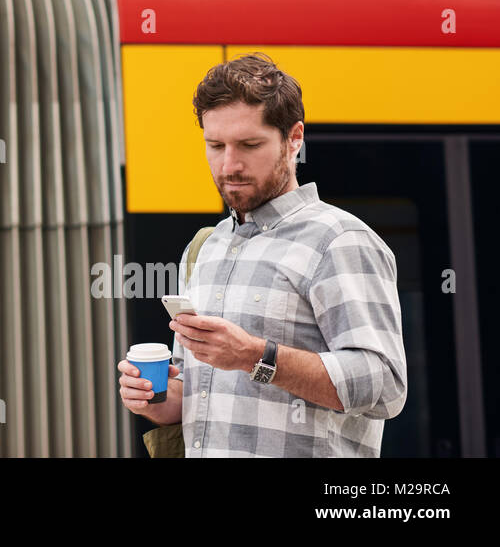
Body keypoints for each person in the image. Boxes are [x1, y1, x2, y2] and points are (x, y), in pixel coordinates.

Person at [117, 53, 406, 456]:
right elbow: (204, 398)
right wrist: (157, 399)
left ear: (294, 138)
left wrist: (257, 356)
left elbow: (385, 387)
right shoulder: (206, 246)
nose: (229, 165)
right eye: (215, 145)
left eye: (249, 144)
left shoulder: (340, 240)